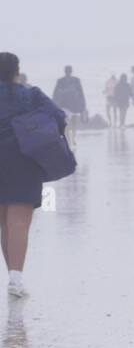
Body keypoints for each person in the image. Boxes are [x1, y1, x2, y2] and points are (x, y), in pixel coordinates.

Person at [0, 52, 69, 297]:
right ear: (16, 71)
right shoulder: (30, 95)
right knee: (18, 223)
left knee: (4, 224)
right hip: (23, 162)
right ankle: (16, 279)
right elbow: (60, 117)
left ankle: (13, 276)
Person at [52, 65, 87, 149]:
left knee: (66, 123)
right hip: (74, 105)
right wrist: (83, 105)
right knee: (74, 122)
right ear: (71, 71)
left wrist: (53, 105)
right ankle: (73, 138)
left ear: (65, 71)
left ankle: (68, 139)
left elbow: (55, 93)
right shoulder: (76, 80)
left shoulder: (60, 81)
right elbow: (81, 93)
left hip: (64, 105)